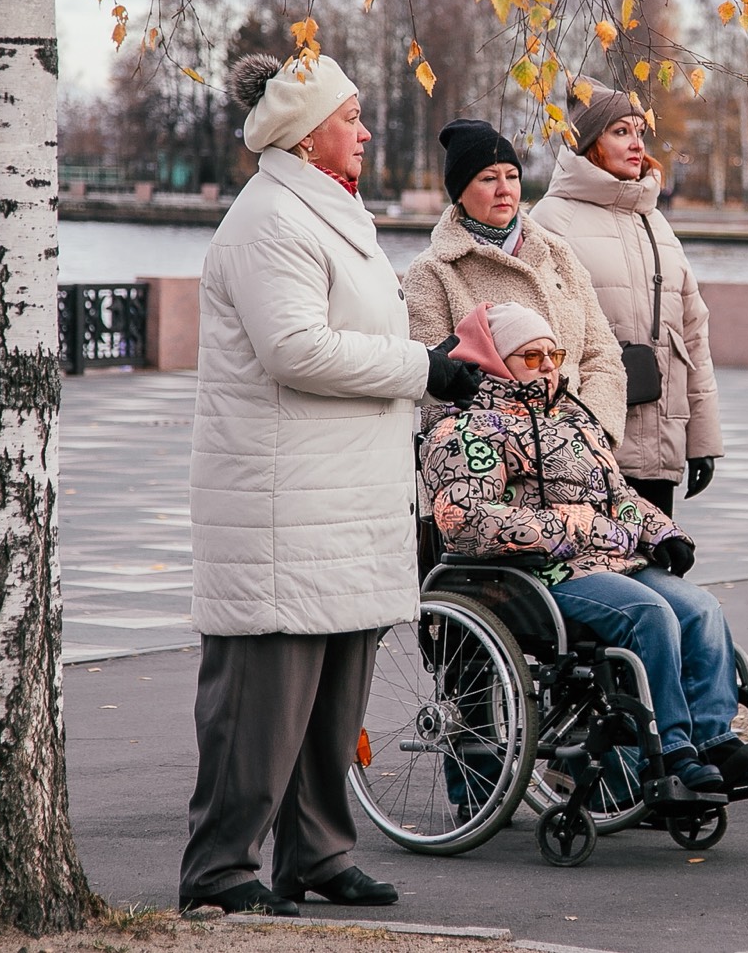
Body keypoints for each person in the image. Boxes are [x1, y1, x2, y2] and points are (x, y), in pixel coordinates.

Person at [180, 53, 483, 918]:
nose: (366, 130)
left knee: (332, 696)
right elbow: (294, 349)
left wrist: (428, 365)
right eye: (351, 116)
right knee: (261, 701)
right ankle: (218, 869)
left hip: (340, 497)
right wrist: (421, 367)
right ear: (306, 135)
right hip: (285, 502)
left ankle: (316, 852)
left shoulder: (329, 211)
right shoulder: (270, 218)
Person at [421, 300, 748, 795]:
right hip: (535, 573)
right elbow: (465, 520)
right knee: (649, 614)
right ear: (493, 361)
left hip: (608, 559)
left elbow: (617, 494)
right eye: (531, 356)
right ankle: (672, 750)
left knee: (701, 608)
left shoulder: (572, 416)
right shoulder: (464, 429)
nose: (548, 366)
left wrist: (662, 532)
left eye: (554, 354)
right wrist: (575, 526)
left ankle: (714, 740)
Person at [529, 87, 722, 514]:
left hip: (659, 448)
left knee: (659, 555)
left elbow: (692, 334)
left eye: (640, 132)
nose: (637, 144)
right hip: (585, 448)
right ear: (590, 142)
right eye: (620, 132)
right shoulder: (550, 219)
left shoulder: (656, 222)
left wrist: (702, 441)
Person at [404, 117, 626, 442]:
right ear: (460, 193)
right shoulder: (432, 271)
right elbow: (433, 381)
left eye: (511, 176)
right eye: (488, 178)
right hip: (490, 454)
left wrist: (593, 430)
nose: (504, 189)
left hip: (579, 446)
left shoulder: (558, 255)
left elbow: (602, 354)